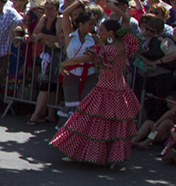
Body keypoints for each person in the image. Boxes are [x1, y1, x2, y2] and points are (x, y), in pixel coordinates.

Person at [50, 18, 141, 169]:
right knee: (114, 124)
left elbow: (84, 58)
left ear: (111, 32)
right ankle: (112, 158)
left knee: (88, 121)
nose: (99, 33)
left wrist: (63, 63)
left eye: (102, 30)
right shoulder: (124, 46)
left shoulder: (107, 50)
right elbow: (125, 20)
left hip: (105, 89)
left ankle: (80, 153)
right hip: (120, 89)